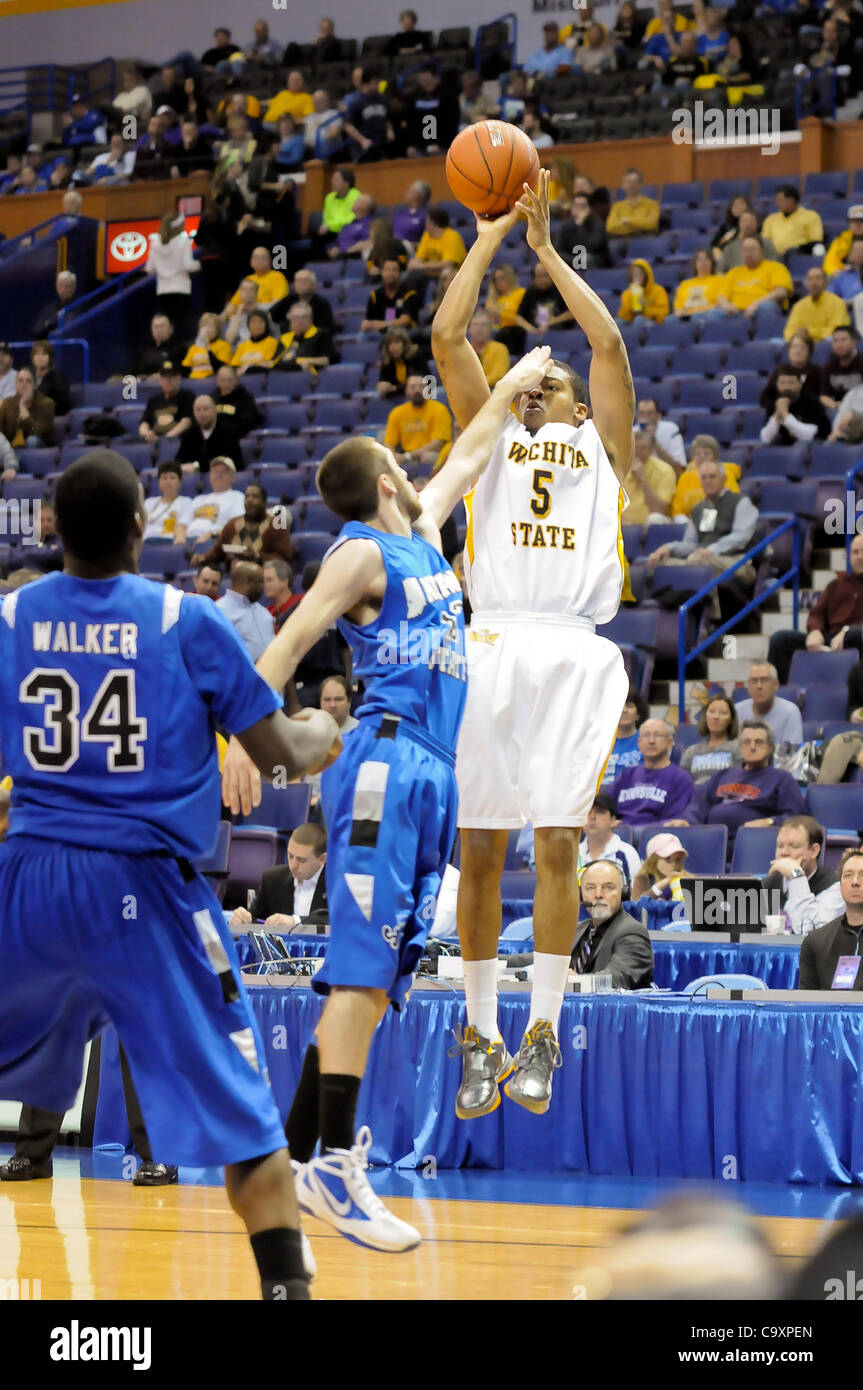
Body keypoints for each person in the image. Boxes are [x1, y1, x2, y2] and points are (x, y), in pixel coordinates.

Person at [221, 347, 553, 1251]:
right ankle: (335, 1164)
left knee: (377, 978)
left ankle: (290, 1157)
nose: (422, 472)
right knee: (363, 974)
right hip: (386, 762)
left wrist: (519, 373)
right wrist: (238, 741)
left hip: (431, 772)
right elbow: (288, 644)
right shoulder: (364, 550)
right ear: (387, 481)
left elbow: (476, 445)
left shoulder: (424, 532)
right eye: (407, 467)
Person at [0, 448, 341, 1297]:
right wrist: (328, 732)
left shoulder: (8, 620)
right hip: (143, 888)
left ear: (51, 530)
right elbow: (283, 751)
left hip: (29, 882)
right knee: (248, 1127)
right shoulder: (183, 621)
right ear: (140, 528)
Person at [432, 169, 636, 1119]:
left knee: (556, 842)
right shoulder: (490, 437)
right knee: (480, 850)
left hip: (572, 648)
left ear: (582, 409)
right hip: (491, 642)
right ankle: (479, 1034)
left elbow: (605, 340)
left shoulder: (605, 448)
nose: (539, 377)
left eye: (551, 380)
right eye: (529, 376)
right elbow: (445, 338)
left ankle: (543, 1031)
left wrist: (547, 249)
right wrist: (485, 233)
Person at [689, 719, 806, 848]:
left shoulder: (782, 778)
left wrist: (770, 822)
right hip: (710, 841)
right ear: (740, 747)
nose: (752, 747)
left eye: (759, 742)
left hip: (752, 844)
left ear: (770, 747)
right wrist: (687, 821)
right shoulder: (724, 774)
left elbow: (796, 818)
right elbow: (698, 804)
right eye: (747, 742)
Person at [646, 456, 759, 587]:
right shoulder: (700, 508)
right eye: (704, 478)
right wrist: (669, 548)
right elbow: (692, 544)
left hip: (737, 560)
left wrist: (711, 550)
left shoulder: (740, 502)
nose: (708, 481)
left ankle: (709, 606)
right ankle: (677, 603)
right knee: (660, 562)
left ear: (724, 480)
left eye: (712, 477)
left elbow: (741, 537)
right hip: (701, 559)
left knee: (697, 560)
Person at [768, 533, 863, 682]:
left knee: (858, 634)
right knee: (780, 640)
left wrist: (847, 632)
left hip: (856, 639)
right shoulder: (835, 586)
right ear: (849, 556)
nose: (860, 557)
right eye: (855, 552)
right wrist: (815, 631)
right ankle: (783, 693)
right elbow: (817, 614)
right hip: (829, 640)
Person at [230, 823, 329, 932]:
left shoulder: (338, 884)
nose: (293, 865)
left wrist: (295, 921)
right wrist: (241, 920)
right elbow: (255, 919)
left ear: (322, 859)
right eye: (290, 856)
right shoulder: (272, 879)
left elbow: (332, 919)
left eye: (302, 860)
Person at [570, 860, 654, 987]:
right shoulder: (580, 929)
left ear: (623, 892)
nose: (598, 895)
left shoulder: (633, 932)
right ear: (581, 894)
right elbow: (547, 958)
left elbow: (617, 978)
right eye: (590, 888)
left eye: (608, 887)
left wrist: (575, 981)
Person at [608, 719, 695, 827]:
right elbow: (606, 808)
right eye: (646, 735)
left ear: (669, 742)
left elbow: (673, 823)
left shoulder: (681, 778)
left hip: (658, 836)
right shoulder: (626, 774)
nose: (651, 740)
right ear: (639, 743)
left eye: (657, 735)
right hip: (620, 836)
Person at [763, 815, 841, 933]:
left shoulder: (835, 887)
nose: (784, 852)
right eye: (780, 846)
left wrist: (796, 875)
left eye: (794, 846)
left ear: (814, 851)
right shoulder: (766, 885)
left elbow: (808, 929)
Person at [798, 848, 863, 989]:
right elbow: (806, 1003)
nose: (855, 882)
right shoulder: (815, 942)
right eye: (848, 875)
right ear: (840, 886)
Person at [204, 483, 291, 569]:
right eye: (247, 497)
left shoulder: (276, 524)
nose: (250, 500)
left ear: (264, 502)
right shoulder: (232, 524)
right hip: (233, 575)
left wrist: (257, 556)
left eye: (255, 497)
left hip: (263, 575)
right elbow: (218, 551)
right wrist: (201, 558)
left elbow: (284, 558)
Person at [715, 236, 793, 324]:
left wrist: (756, 304)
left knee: (768, 307)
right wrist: (726, 305)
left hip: (760, 310)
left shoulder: (776, 267)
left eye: (752, 249)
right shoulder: (734, 272)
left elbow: (781, 291)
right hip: (735, 313)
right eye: (745, 250)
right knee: (714, 314)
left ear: (761, 252)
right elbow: (721, 297)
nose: (748, 253)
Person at [383, 374, 452, 469]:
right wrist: (392, 457)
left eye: (421, 386)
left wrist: (408, 456)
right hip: (405, 455)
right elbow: (388, 443)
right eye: (413, 387)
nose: (417, 390)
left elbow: (438, 444)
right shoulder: (397, 412)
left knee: (426, 457)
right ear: (406, 391)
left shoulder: (439, 409)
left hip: (431, 455)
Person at [577, 791, 642, 885]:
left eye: (599, 812)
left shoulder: (627, 853)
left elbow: (636, 896)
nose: (592, 817)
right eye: (588, 812)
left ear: (613, 821)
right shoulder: (573, 853)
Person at [216, 560, 275, 662]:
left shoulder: (264, 612)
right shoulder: (219, 612)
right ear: (246, 581)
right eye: (260, 582)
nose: (263, 586)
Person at [671, 434, 741, 518]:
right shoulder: (685, 477)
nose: (702, 457)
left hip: (720, 517)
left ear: (715, 456)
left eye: (706, 453)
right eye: (698, 454)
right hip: (690, 519)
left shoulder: (724, 472)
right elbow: (677, 510)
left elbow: (733, 501)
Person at [735, 662, 804, 746]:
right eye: (754, 681)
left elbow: (791, 753)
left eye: (764, 680)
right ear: (748, 687)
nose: (759, 686)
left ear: (776, 685)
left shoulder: (790, 712)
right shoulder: (737, 711)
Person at [175, 394, 244, 473]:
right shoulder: (189, 434)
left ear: (215, 410)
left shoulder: (228, 432)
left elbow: (227, 461)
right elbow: (179, 460)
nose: (202, 413)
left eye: (206, 409)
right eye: (198, 410)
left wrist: (197, 466)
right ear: (194, 413)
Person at [759, 368, 830, 444]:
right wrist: (776, 417)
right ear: (777, 385)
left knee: (801, 444)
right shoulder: (774, 402)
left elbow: (811, 435)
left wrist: (785, 415)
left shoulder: (812, 402)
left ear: (800, 384)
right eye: (782, 383)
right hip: (783, 448)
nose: (786, 387)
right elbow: (765, 439)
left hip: (810, 448)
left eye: (791, 383)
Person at [679, 694, 739, 783]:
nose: (716, 716)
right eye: (712, 711)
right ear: (706, 717)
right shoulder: (691, 752)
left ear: (731, 719)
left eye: (723, 713)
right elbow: (683, 785)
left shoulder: (739, 748)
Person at [621, 430, 676, 525]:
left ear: (651, 451)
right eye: (634, 448)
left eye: (643, 448)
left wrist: (642, 479)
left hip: (651, 526)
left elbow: (659, 511)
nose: (637, 452)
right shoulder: (619, 469)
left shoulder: (665, 470)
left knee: (655, 519)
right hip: (624, 524)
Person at [185, 457, 246, 542]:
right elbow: (182, 524)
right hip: (189, 540)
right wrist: (180, 538)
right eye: (215, 472)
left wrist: (212, 534)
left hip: (214, 540)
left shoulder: (237, 497)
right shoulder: (198, 499)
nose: (219, 475)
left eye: (224, 472)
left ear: (233, 478)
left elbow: (236, 526)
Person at [784, 266, 850, 344]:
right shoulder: (799, 306)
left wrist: (809, 333)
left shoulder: (837, 303)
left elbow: (838, 331)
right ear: (806, 284)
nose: (814, 283)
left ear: (826, 282)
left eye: (818, 278)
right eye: (810, 279)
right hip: (804, 346)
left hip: (827, 346)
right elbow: (788, 332)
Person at [342, 69, 394, 163]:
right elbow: (349, 126)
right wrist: (362, 140)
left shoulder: (383, 100)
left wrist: (390, 130)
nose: (378, 85)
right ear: (366, 83)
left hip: (380, 147)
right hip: (363, 150)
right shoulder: (356, 102)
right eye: (375, 83)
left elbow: (387, 119)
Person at [511, 261, 574, 338]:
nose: (542, 279)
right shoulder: (531, 291)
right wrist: (529, 328)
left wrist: (549, 323)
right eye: (538, 276)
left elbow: (571, 314)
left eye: (545, 275)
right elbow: (518, 317)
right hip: (535, 330)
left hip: (557, 331)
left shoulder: (561, 290)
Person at [138, 361, 195, 442]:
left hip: (176, 440)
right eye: (165, 376)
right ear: (160, 380)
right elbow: (144, 423)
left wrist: (165, 439)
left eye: (172, 376)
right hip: (154, 439)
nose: (168, 380)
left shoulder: (187, 396)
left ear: (179, 378)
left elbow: (186, 422)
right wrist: (147, 434)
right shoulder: (153, 400)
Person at [555, 192, 612, 271]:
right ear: (572, 208)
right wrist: (574, 260)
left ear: (590, 208)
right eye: (576, 205)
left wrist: (580, 224)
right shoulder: (565, 226)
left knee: (586, 259)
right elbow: (558, 251)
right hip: (572, 264)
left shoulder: (598, 224)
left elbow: (592, 246)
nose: (580, 209)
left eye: (583, 206)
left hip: (595, 263)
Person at [761, 186, 824, 257]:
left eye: (780, 200)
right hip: (774, 258)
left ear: (791, 200)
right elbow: (764, 243)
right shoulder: (770, 219)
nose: (777, 204)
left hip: (798, 256)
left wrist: (794, 250)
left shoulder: (811, 216)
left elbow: (816, 241)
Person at [361, 258, 420, 333]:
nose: (391, 273)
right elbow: (367, 323)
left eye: (394, 270)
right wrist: (371, 325)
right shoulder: (375, 295)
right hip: (381, 333)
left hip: (405, 333)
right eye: (387, 269)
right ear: (382, 273)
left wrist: (380, 324)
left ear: (400, 274)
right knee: (363, 336)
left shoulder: (409, 294)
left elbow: (405, 321)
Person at [0, 367, 55, 448]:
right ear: (15, 384)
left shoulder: (46, 403)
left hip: (39, 445)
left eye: (28, 381)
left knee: (32, 440)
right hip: (11, 447)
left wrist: (23, 407)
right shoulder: (8, 403)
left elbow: (37, 431)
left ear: (35, 385)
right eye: (20, 380)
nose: (23, 384)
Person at [603, 686, 648, 785]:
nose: (624, 710)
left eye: (629, 706)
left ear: (638, 715)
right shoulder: (600, 743)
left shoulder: (647, 742)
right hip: (602, 798)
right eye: (620, 705)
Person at [408, 207, 467, 280]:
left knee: (446, 273)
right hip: (430, 273)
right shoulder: (427, 235)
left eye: (426, 221)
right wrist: (414, 263)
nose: (425, 224)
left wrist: (423, 265)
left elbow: (448, 264)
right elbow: (419, 258)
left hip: (453, 275)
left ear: (432, 223)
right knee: (411, 273)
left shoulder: (453, 237)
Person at [631, 832, 693, 902]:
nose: (673, 864)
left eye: (678, 859)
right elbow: (636, 906)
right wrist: (660, 886)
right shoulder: (643, 878)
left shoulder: (687, 879)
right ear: (653, 860)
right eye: (667, 858)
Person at [275, 303, 333, 375]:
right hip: (283, 375)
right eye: (296, 317)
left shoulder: (321, 335)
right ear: (290, 320)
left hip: (308, 376)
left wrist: (305, 361)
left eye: (304, 317)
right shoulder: (284, 338)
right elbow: (277, 361)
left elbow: (326, 360)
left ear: (311, 319)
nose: (300, 321)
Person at [144, 461, 192, 542]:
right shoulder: (148, 502)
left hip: (167, 541)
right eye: (164, 478)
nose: (168, 481)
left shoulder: (186, 502)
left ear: (179, 482)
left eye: (172, 478)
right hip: (144, 542)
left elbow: (183, 526)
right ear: (159, 482)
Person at [818, 325, 863, 411]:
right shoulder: (828, 366)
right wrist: (834, 404)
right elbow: (823, 396)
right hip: (839, 409)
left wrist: (848, 405)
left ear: (854, 342)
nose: (839, 344)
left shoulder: (861, 362)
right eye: (835, 340)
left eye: (843, 339)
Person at [605, 169, 660, 238]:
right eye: (628, 182)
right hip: (623, 240)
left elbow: (652, 224)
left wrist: (627, 221)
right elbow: (610, 227)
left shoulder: (653, 204)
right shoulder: (617, 206)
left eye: (634, 182)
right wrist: (639, 226)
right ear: (623, 185)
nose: (631, 185)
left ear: (641, 184)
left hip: (644, 239)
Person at [376, 329, 428, 399]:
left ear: (404, 343)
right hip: (397, 398)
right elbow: (383, 379)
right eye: (390, 343)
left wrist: (395, 388)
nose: (394, 347)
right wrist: (382, 385)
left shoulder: (416, 355)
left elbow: (419, 384)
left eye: (397, 342)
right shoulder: (387, 360)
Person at [213, 363, 263, 436]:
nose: (226, 384)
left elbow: (247, 424)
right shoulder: (211, 399)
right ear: (217, 382)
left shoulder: (246, 398)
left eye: (229, 380)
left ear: (236, 381)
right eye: (223, 380)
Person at [673, 248, 723, 317]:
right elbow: (677, 310)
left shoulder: (720, 280)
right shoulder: (685, 284)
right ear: (695, 263)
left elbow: (720, 305)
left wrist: (697, 311)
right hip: (687, 318)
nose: (703, 263)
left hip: (708, 316)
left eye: (706, 259)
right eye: (699, 260)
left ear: (712, 262)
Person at [182, 313, 232, 380]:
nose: (206, 329)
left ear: (217, 329)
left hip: (212, 380)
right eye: (204, 326)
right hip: (194, 380)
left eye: (210, 326)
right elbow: (185, 369)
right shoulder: (193, 348)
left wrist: (207, 345)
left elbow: (220, 368)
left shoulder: (224, 345)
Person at [467, 311, 510, 388]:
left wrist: (475, 385)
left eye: (483, 325)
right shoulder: (464, 350)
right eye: (476, 325)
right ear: (469, 329)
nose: (479, 329)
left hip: (491, 390)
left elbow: (498, 376)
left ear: (490, 329)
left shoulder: (500, 348)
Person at [134, 314, 183, 381]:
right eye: (156, 326)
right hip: (144, 387)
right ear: (151, 329)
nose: (159, 329)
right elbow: (134, 371)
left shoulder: (179, 350)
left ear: (171, 329)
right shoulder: (144, 350)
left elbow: (183, 371)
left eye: (162, 326)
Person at [29, 340, 70, 418]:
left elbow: (62, 403)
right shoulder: (28, 376)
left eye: (44, 354)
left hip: (49, 416)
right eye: (37, 354)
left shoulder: (57, 377)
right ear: (32, 357)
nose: (40, 357)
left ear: (50, 357)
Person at [823, 204, 863, 279]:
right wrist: (838, 271)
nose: (858, 224)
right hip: (846, 278)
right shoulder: (840, 241)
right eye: (854, 221)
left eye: (862, 221)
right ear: (849, 223)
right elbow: (829, 262)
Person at [33, 271, 78, 338]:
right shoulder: (49, 309)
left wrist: (49, 324)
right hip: (49, 345)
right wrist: (51, 323)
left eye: (67, 286)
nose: (63, 289)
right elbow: (37, 332)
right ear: (56, 286)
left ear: (74, 287)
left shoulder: (79, 307)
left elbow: (68, 332)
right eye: (60, 285)